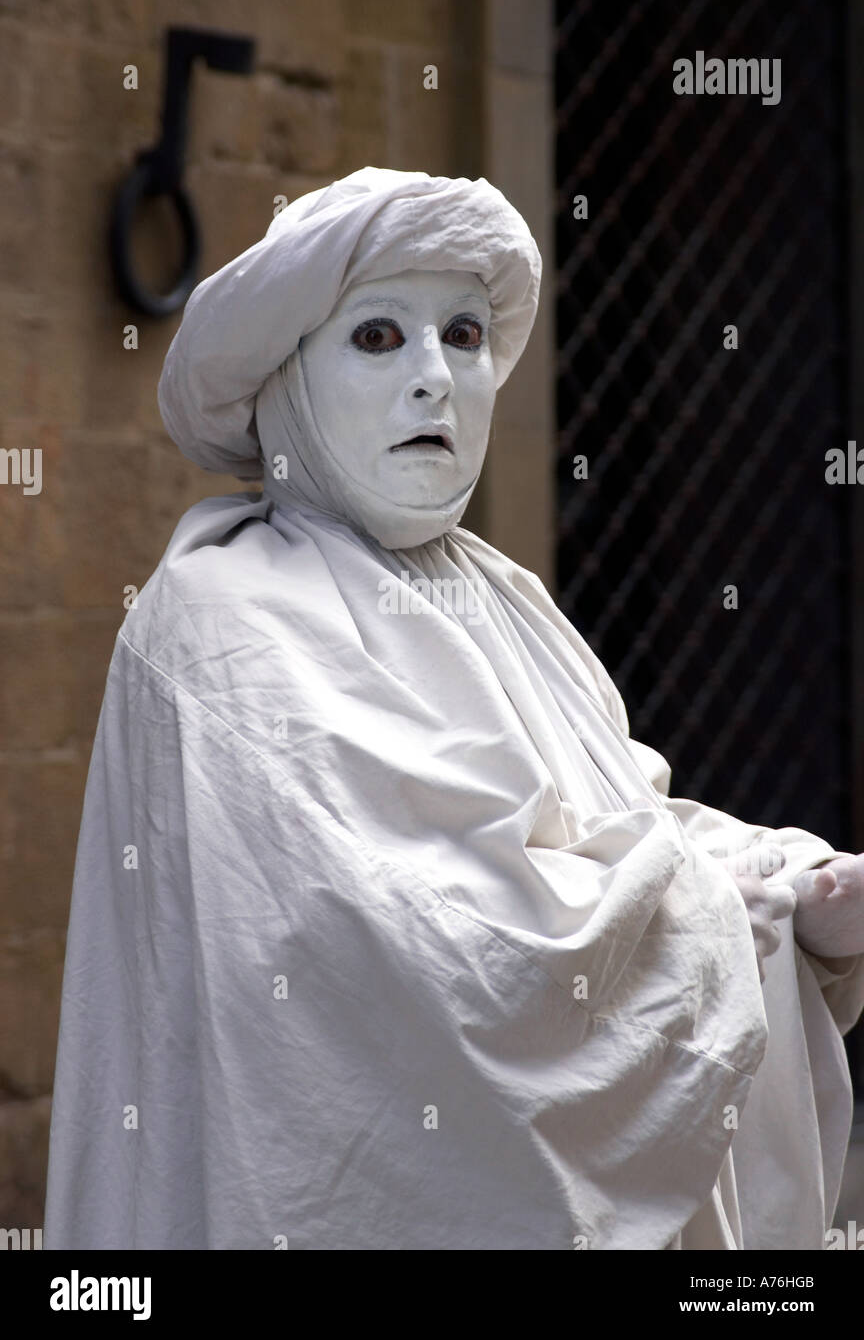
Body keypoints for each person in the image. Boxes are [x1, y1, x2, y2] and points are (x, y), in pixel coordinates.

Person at [44, 167, 864, 1251]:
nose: (436, 376)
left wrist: (795, 880)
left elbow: (608, 818)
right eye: (379, 338)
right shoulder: (219, 620)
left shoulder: (498, 593)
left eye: (464, 335)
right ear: (286, 378)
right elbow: (428, 953)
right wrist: (732, 917)